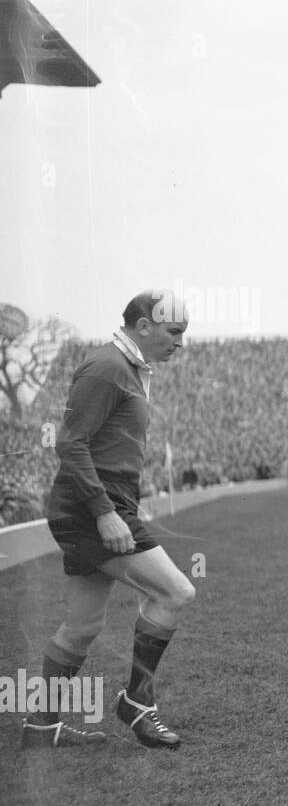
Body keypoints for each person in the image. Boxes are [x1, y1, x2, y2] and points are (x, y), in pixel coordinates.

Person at [23, 291, 196, 749]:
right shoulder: (108, 368)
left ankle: (41, 726)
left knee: (82, 627)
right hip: (90, 511)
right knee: (175, 593)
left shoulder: (129, 369)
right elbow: (71, 444)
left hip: (98, 506)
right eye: (174, 332)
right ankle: (138, 705)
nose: (180, 342)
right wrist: (105, 513)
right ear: (142, 326)